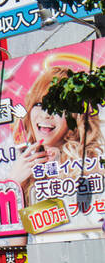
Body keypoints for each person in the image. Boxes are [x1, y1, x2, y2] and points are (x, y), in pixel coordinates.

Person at [7, 64, 104, 217]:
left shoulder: (88, 165)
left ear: (74, 116)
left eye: (58, 107)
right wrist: (12, 184)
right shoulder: (18, 165)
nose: (46, 115)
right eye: (39, 104)